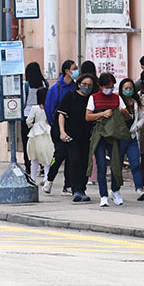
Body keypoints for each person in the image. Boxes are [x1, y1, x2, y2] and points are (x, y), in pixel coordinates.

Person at [86, 73, 130, 207]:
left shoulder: (117, 98)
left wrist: (123, 112)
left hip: (114, 134)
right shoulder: (94, 98)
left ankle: (115, 191)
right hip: (99, 135)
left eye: (112, 87)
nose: (110, 89)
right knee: (102, 166)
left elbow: (127, 115)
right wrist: (102, 114)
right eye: (107, 87)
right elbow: (88, 116)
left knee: (116, 163)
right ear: (101, 86)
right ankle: (103, 195)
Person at [57, 72, 96, 203]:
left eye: (90, 85)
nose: (87, 87)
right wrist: (62, 132)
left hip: (86, 136)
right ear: (79, 84)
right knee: (74, 161)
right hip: (71, 135)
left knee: (85, 162)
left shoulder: (92, 99)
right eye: (84, 84)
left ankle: (82, 188)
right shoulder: (70, 96)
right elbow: (61, 114)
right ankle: (75, 190)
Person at [42, 60, 78, 195]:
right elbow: (49, 109)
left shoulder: (76, 87)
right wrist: (56, 126)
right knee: (59, 155)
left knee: (72, 157)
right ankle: (49, 179)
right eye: (74, 68)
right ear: (67, 71)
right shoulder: (55, 89)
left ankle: (68, 184)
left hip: (73, 127)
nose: (76, 70)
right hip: (58, 128)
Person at [117, 77, 144, 200]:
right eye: (126, 88)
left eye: (130, 88)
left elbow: (142, 117)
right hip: (120, 138)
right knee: (117, 165)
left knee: (135, 164)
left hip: (131, 137)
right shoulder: (117, 101)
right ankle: (115, 190)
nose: (128, 90)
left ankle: (139, 189)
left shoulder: (137, 102)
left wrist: (136, 127)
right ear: (121, 89)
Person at [21, 62, 47, 174]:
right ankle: (43, 166)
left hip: (27, 114)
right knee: (41, 142)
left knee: (27, 143)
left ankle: (28, 166)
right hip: (41, 115)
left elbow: (23, 101)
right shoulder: (44, 84)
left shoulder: (26, 85)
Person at [25, 97, 54, 185]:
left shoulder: (34, 108)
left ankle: (33, 177)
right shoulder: (50, 107)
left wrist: (32, 125)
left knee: (34, 157)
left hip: (36, 132)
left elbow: (28, 120)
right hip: (47, 131)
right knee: (47, 155)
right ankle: (46, 176)